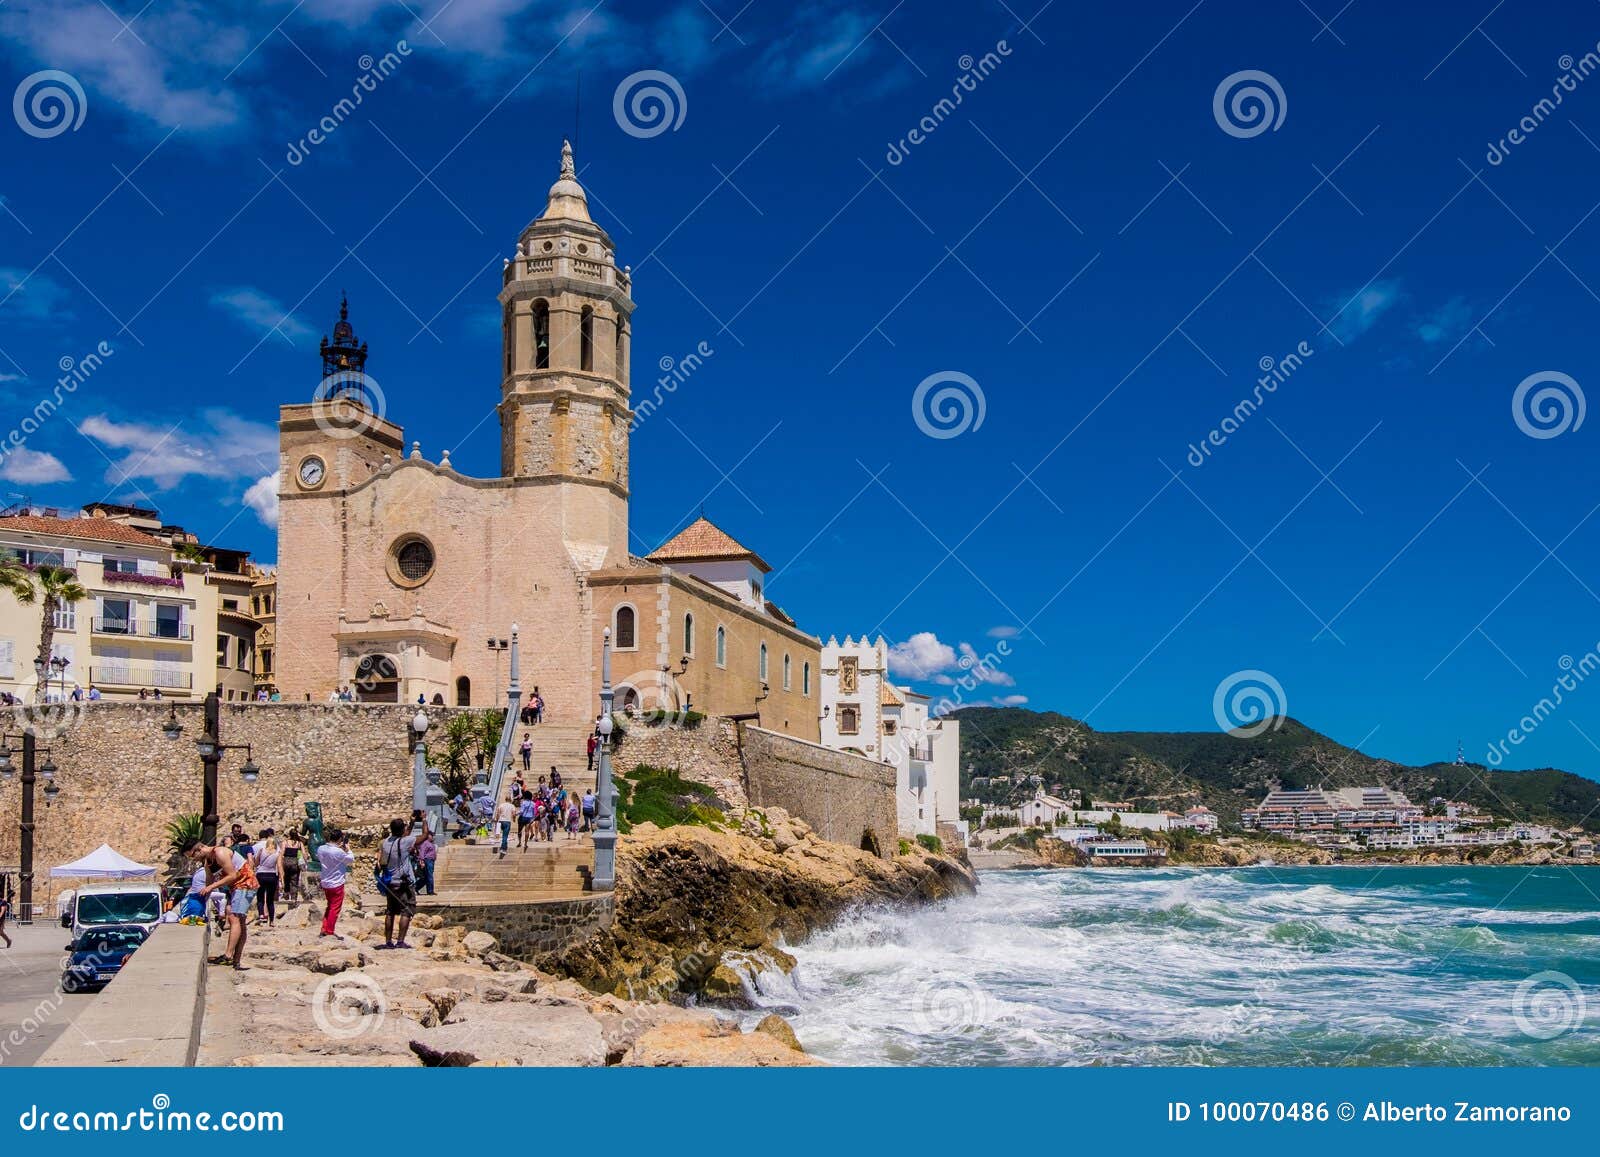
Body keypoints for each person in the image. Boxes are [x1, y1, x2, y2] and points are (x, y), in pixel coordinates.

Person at [186, 837, 259, 970]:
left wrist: (211, 887)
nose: (193, 859)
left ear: (198, 849)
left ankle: (228, 955)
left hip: (245, 883)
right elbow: (208, 880)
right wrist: (201, 900)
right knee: (237, 920)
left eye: (192, 856)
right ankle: (236, 960)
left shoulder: (220, 853)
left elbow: (233, 875)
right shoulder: (208, 861)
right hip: (235, 888)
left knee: (234, 918)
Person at [376, 816, 426, 949]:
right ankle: (400, 941)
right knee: (407, 911)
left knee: (390, 912)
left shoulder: (385, 842)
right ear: (402, 829)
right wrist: (424, 820)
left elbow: (404, 835)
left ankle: (388, 942)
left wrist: (412, 822)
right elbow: (425, 836)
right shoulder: (406, 842)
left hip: (390, 882)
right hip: (404, 883)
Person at [316, 828, 355, 937]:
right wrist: (348, 849)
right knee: (335, 908)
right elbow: (350, 859)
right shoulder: (338, 852)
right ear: (339, 839)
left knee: (329, 906)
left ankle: (324, 928)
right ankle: (329, 930)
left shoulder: (321, 848)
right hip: (336, 883)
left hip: (325, 881)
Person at [254, 830, 281, 926]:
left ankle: (261, 915)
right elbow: (279, 866)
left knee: (260, 897)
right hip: (272, 875)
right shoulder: (277, 853)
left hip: (261, 874)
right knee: (270, 900)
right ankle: (272, 921)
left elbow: (256, 863)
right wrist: (282, 879)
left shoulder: (261, 851)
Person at [280, 829, 304, 904]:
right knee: (294, 880)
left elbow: (282, 852)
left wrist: (280, 861)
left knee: (286, 878)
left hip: (286, 861)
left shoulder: (285, 842)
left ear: (289, 834)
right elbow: (304, 853)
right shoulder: (299, 843)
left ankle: (286, 893)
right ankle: (294, 897)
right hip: (295, 862)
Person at [418, 829, 437, 895]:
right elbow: (422, 852)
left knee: (426, 877)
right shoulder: (425, 843)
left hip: (431, 860)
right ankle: (430, 890)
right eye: (431, 835)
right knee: (429, 876)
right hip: (427, 860)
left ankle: (416, 887)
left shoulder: (431, 843)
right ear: (428, 836)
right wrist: (422, 861)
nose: (432, 837)